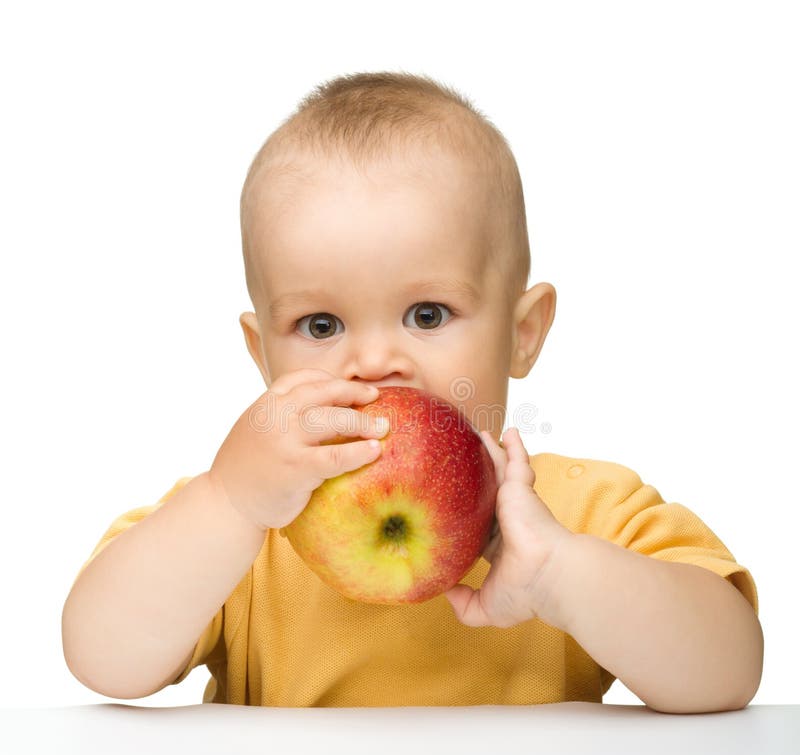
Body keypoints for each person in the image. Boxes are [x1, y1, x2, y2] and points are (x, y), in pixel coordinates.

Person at [61, 71, 763, 712]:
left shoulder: (578, 515)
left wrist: (561, 573)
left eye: (427, 315)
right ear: (263, 356)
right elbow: (102, 659)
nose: (371, 363)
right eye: (320, 323)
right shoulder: (242, 529)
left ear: (523, 334)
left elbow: (730, 671)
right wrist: (228, 501)